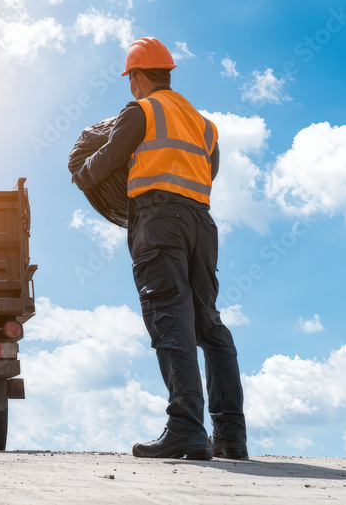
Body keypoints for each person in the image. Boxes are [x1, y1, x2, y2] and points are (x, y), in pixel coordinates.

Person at [71, 37, 247, 461]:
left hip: (158, 222)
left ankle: (185, 429)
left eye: (130, 78)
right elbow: (211, 169)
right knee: (209, 324)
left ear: (136, 77)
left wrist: (82, 173)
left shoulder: (141, 110)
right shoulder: (204, 124)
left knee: (169, 316)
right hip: (202, 223)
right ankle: (230, 436)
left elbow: (110, 157)